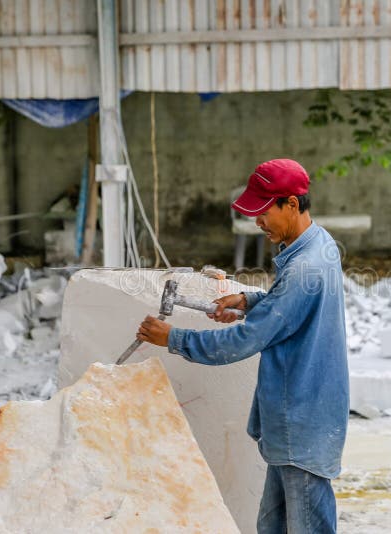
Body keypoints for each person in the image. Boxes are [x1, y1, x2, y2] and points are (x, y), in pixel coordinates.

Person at [137, 158, 349, 533]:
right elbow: (294, 309)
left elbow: (245, 341)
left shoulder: (305, 268)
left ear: (292, 204)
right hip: (300, 416)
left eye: (264, 212)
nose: (258, 223)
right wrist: (250, 301)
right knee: (273, 525)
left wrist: (173, 338)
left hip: (300, 420)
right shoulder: (317, 245)